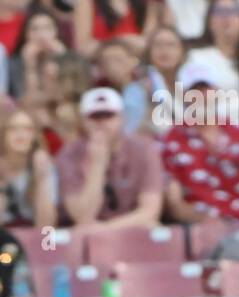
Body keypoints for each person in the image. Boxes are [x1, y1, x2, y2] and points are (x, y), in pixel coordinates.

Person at [160, 64, 239, 223]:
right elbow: (174, 204)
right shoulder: (172, 140)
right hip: (198, 226)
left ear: (216, 92)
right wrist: (208, 224)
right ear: (183, 96)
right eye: (194, 91)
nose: (201, 97)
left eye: (206, 90)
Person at [55, 86, 164, 229]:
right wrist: (97, 164)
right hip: (88, 237)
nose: (102, 123)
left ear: (122, 118)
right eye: (95, 117)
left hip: (128, 228)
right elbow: (82, 216)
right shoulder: (69, 154)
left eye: (108, 116)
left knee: (153, 227)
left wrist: (107, 229)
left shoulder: (144, 149)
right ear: (83, 121)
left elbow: (150, 211)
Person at [0, 105, 56, 228]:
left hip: (33, 240)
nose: (21, 134)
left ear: (35, 136)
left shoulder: (43, 165)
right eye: (13, 129)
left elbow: (46, 227)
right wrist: (2, 184)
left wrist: (41, 178)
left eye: (27, 129)